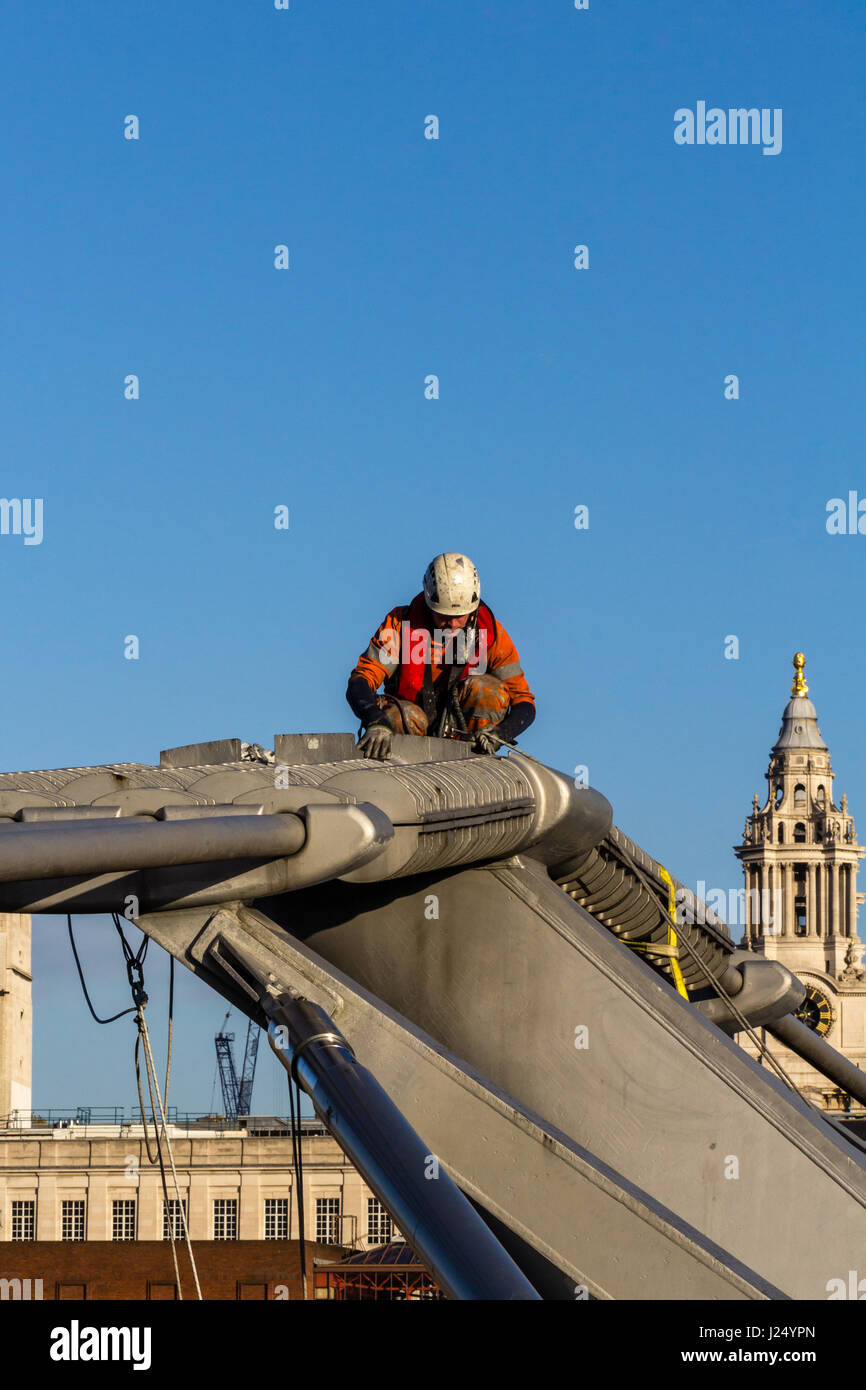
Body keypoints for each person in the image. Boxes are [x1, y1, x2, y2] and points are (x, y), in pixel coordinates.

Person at [346, 553, 536, 759]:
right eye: (444, 616)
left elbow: (523, 702)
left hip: (466, 743)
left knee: (488, 690)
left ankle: (477, 763)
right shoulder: (401, 625)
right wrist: (376, 720)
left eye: (459, 617)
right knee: (405, 716)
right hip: (408, 737)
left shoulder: (490, 635)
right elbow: (361, 681)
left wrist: (502, 733)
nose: (452, 625)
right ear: (429, 604)